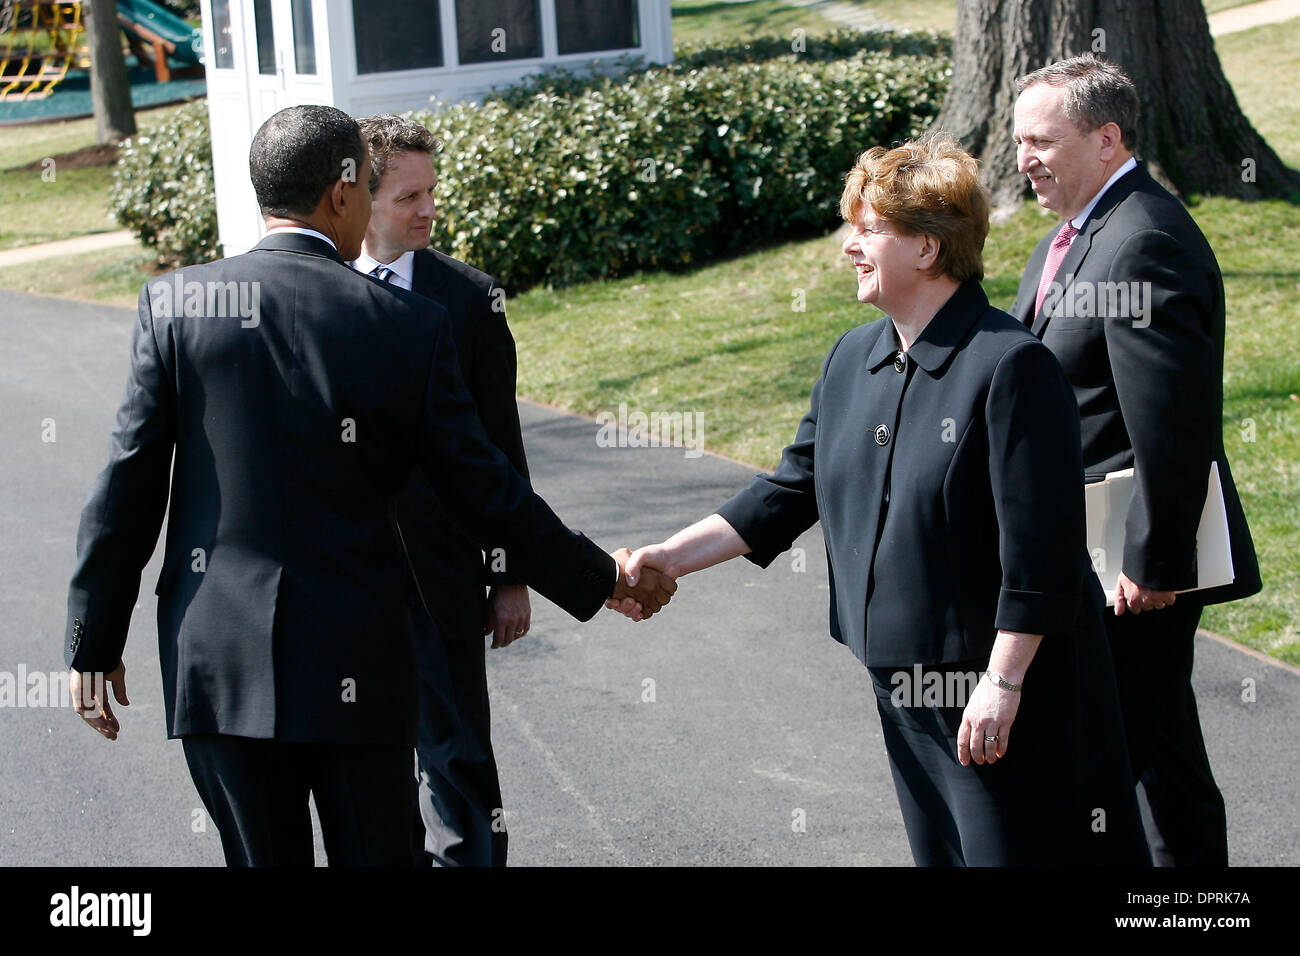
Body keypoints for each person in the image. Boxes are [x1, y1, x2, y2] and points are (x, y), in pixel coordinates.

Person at [63, 104, 676, 867]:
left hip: (219, 665)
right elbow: (486, 486)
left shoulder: (176, 307)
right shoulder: (406, 326)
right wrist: (600, 578)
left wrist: (94, 641)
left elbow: (128, 486)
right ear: (343, 194)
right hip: (358, 666)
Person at [621, 134, 1150, 865]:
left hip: (1002, 702)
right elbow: (787, 490)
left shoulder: (1010, 367)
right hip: (904, 694)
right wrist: (667, 558)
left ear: (929, 249)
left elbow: (1043, 549)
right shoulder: (851, 358)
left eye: (870, 229)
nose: (849, 246)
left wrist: (1002, 681)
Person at [1010, 54, 1261, 866]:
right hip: (1094, 554)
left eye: (1042, 140)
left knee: (1121, 762)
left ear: (1108, 138)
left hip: (1130, 568)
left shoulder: (1141, 242)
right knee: (1161, 762)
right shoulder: (1080, 234)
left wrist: (1155, 564)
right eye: (1019, 141)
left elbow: (1173, 426)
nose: (1025, 159)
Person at [351, 113, 526, 867]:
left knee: (457, 759)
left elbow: (500, 448)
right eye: (407, 197)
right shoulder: (311, 290)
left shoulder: (471, 300)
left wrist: (510, 573)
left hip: (443, 578)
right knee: (363, 766)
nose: (427, 210)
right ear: (359, 196)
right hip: (344, 577)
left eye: (432, 192)